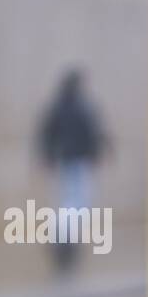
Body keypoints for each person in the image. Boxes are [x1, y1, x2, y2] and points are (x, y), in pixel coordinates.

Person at [36, 69, 109, 273]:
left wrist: (47, 156)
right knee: (75, 205)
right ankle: (63, 242)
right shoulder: (78, 108)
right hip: (74, 162)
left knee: (70, 205)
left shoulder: (62, 106)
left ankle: (64, 242)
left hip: (68, 161)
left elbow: (47, 133)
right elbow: (92, 133)